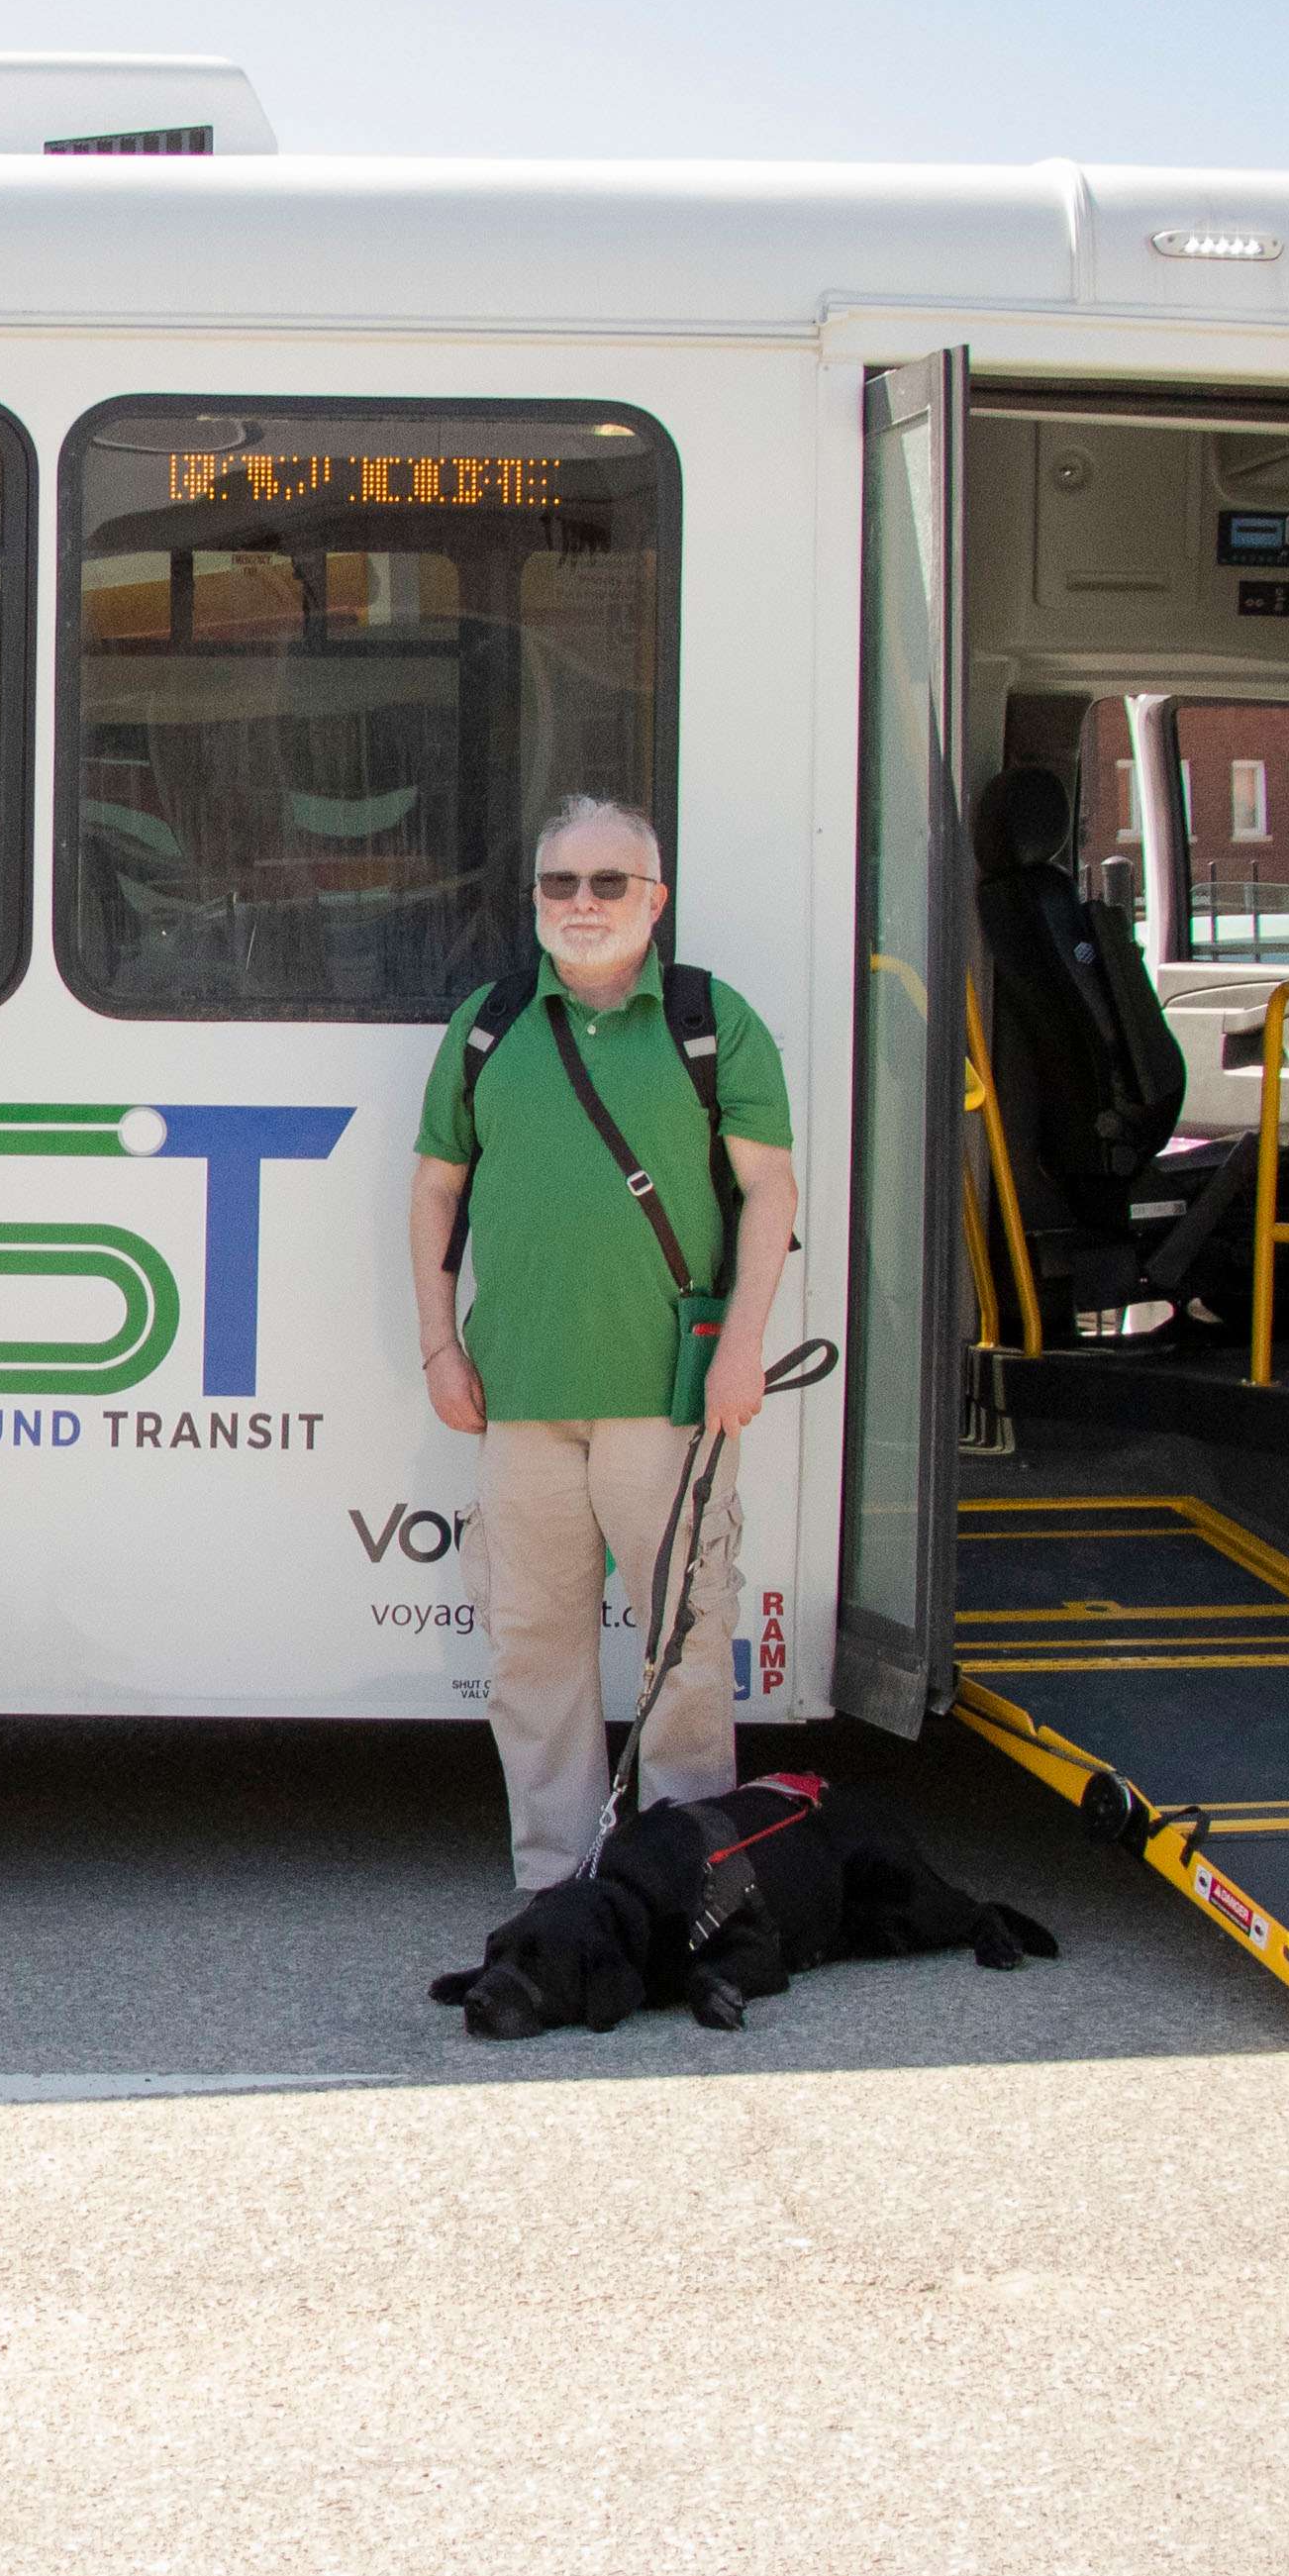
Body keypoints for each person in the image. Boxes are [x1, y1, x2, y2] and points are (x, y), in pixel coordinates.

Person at [405, 796, 804, 1889]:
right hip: (519, 1397)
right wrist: (440, 1348)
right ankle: (555, 1882)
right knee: (534, 1654)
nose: (581, 904)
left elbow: (770, 1192)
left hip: (666, 1396)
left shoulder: (711, 1022)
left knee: (682, 1647)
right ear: (535, 898)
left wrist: (743, 1349)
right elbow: (438, 1190)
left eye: (608, 883)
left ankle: (685, 1879)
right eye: (559, 885)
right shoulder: (488, 1027)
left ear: (655, 898)